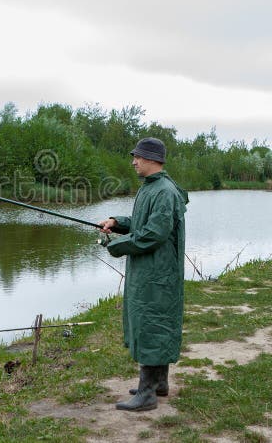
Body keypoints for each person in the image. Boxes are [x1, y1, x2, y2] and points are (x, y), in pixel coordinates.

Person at [98, 137, 188, 412]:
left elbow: (153, 234)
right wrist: (117, 223)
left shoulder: (164, 191)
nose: (133, 162)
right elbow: (141, 224)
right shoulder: (152, 188)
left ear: (151, 159)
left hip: (157, 274)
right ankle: (159, 384)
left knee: (152, 324)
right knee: (151, 322)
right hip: (149, 271)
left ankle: (147, 394)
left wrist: (115, 245)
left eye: (137, 157)